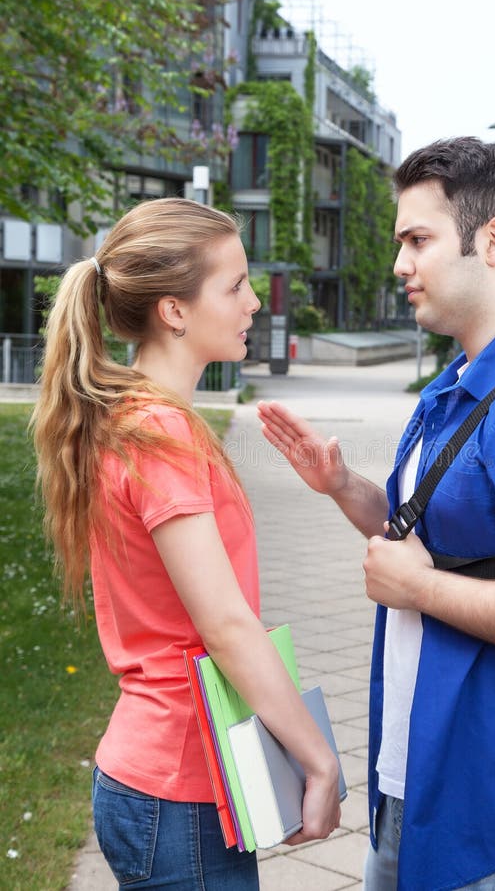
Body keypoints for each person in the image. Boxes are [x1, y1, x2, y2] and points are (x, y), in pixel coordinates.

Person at [257, 138, 495, 891]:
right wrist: (344, 487)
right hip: (422, 776)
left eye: (418, 240)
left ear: (492, 240)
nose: (401, 263)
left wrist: (424, 591)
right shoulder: (459, 384)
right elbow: (430, 542)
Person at [31, 197, 341, 890]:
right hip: (178, 788)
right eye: (234, 286)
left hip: (166, 776)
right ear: (174, 310)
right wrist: (316, 757)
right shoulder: (160, 433)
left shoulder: (134, 419)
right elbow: (226, 625)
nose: (254, 302)